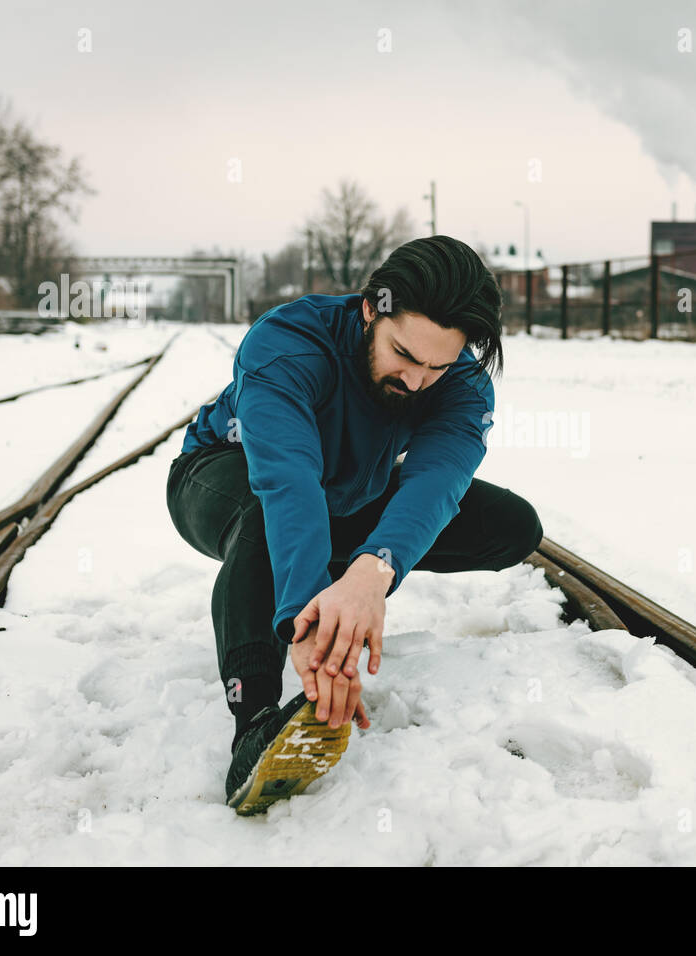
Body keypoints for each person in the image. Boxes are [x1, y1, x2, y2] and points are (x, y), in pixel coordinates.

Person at [165, 235, 543, 814]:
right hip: (225, 474)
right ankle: (253, 718)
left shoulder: (462, 385)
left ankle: (336, 563)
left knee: (512, 525)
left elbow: (436, 483)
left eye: (436, 366)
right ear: (372, 308)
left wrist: (373, 573)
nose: (416, 380)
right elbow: (287, 482)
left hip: (346, 491)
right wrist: (309, 624)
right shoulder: (286, 345)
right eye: (404, 355)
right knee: (267, 518)